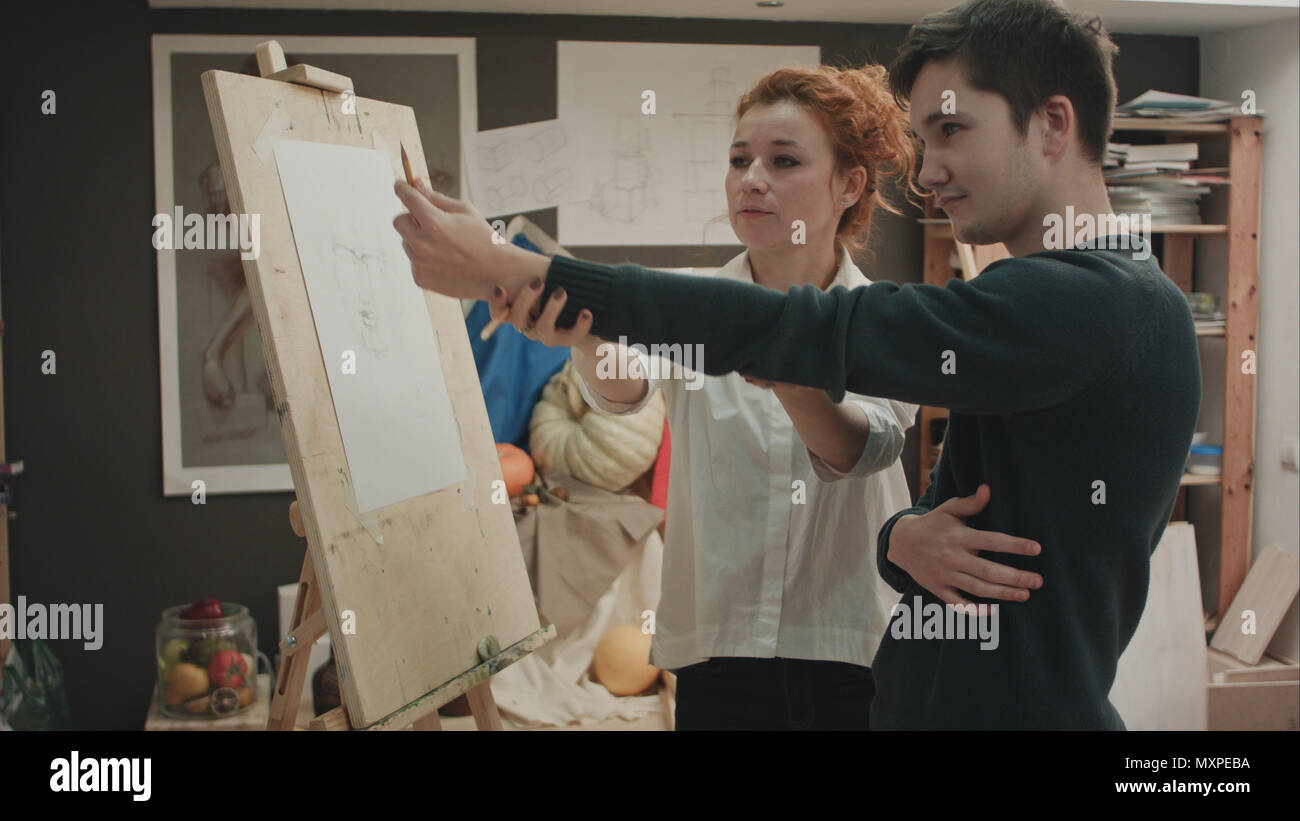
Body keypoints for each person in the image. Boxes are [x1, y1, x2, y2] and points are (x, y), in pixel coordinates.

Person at [394, 0, 1201, 729]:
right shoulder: (1029, 295)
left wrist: (528, 270)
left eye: (951, 131)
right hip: (803, 669)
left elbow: (832, 387)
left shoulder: (1081, 303)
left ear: (1053, 124)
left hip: (863, 664)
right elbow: (953, 511)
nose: (928, 171)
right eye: (923, 140)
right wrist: (900, 538)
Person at [501, 63, 922, 730]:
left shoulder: (886, 318)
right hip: (714, 650)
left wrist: (774, 357)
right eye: (738, 159)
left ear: (849, 184)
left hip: (848, 649)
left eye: (783, 160)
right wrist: (580, 335)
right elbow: (623, 389)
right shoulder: (688, 303)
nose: (752, 178)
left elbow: (857, 446)